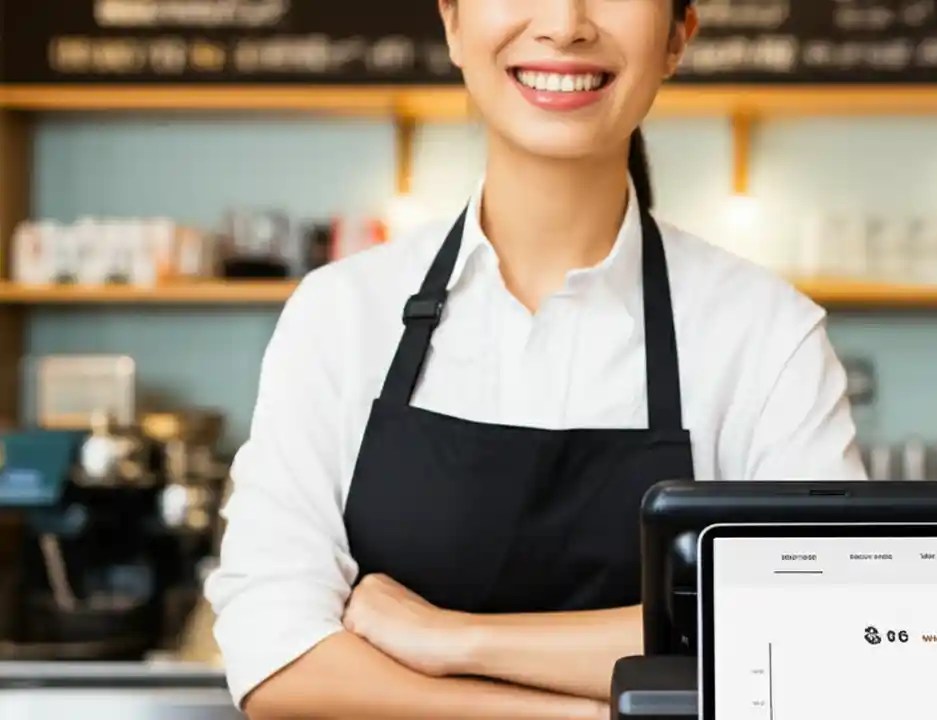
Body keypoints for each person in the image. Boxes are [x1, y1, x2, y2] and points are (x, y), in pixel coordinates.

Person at [205, 0, 867, 718]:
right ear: (453, 22)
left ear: (678, 36)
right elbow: (277, 659)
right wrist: (592, 713)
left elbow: (816, 636)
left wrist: (453, 639)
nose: (564, 23)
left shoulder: (766, 336)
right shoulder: (341, 315)